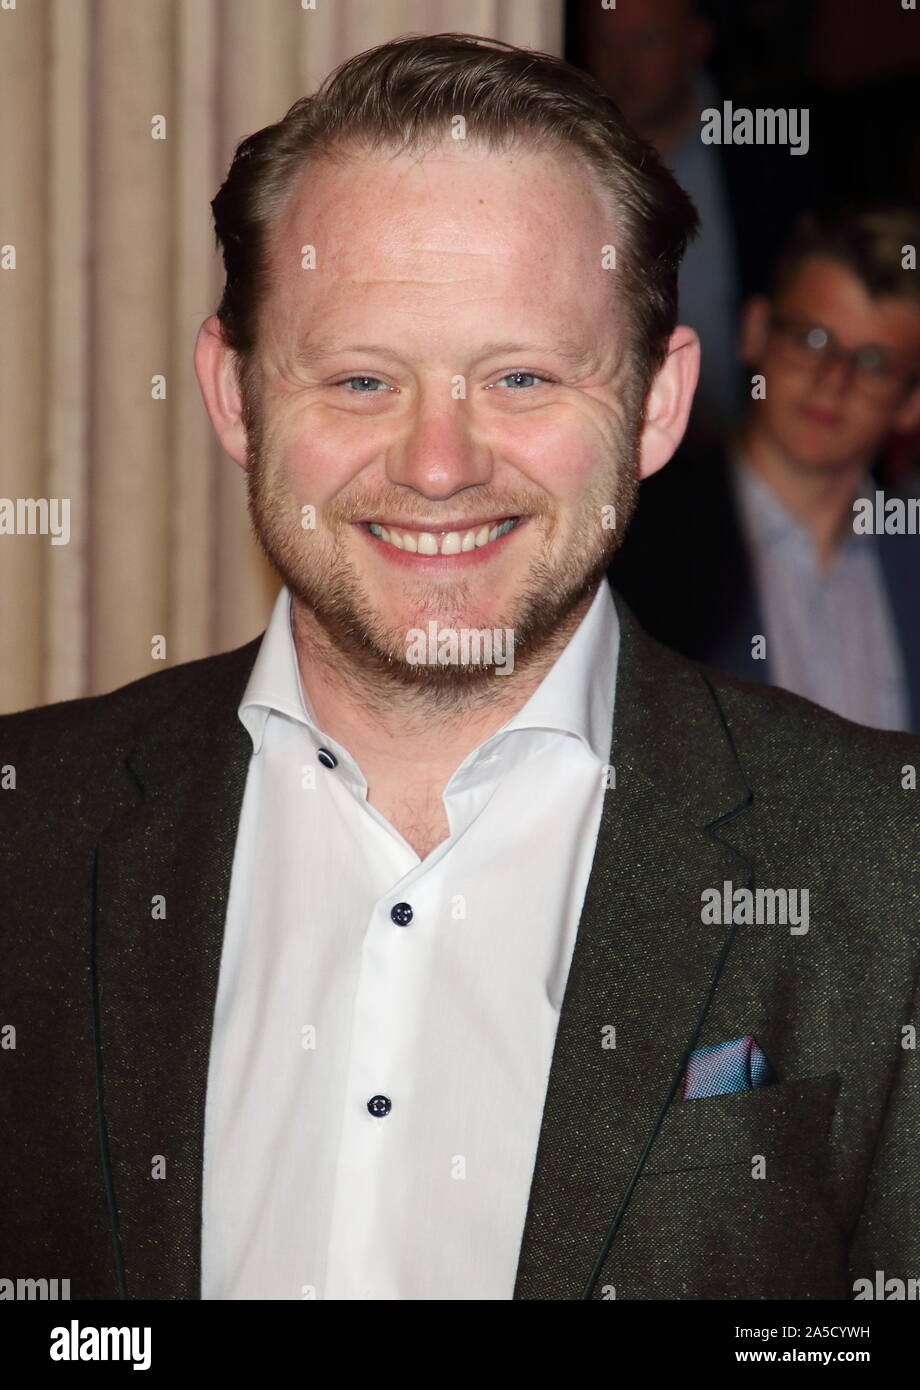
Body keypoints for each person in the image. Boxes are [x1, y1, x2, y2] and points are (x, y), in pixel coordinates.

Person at [1, 34, 916, 1303]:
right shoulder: (28, 827)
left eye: (522, 376)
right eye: (361, 377)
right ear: (232, 394)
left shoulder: (883, 863)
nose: (438, 464)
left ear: (655, 404)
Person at [611, 207, 920, 733]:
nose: (833, 380)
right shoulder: (639, 536)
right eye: (813, 338)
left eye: (873, 363)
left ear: (911, 401)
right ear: (754, 330)